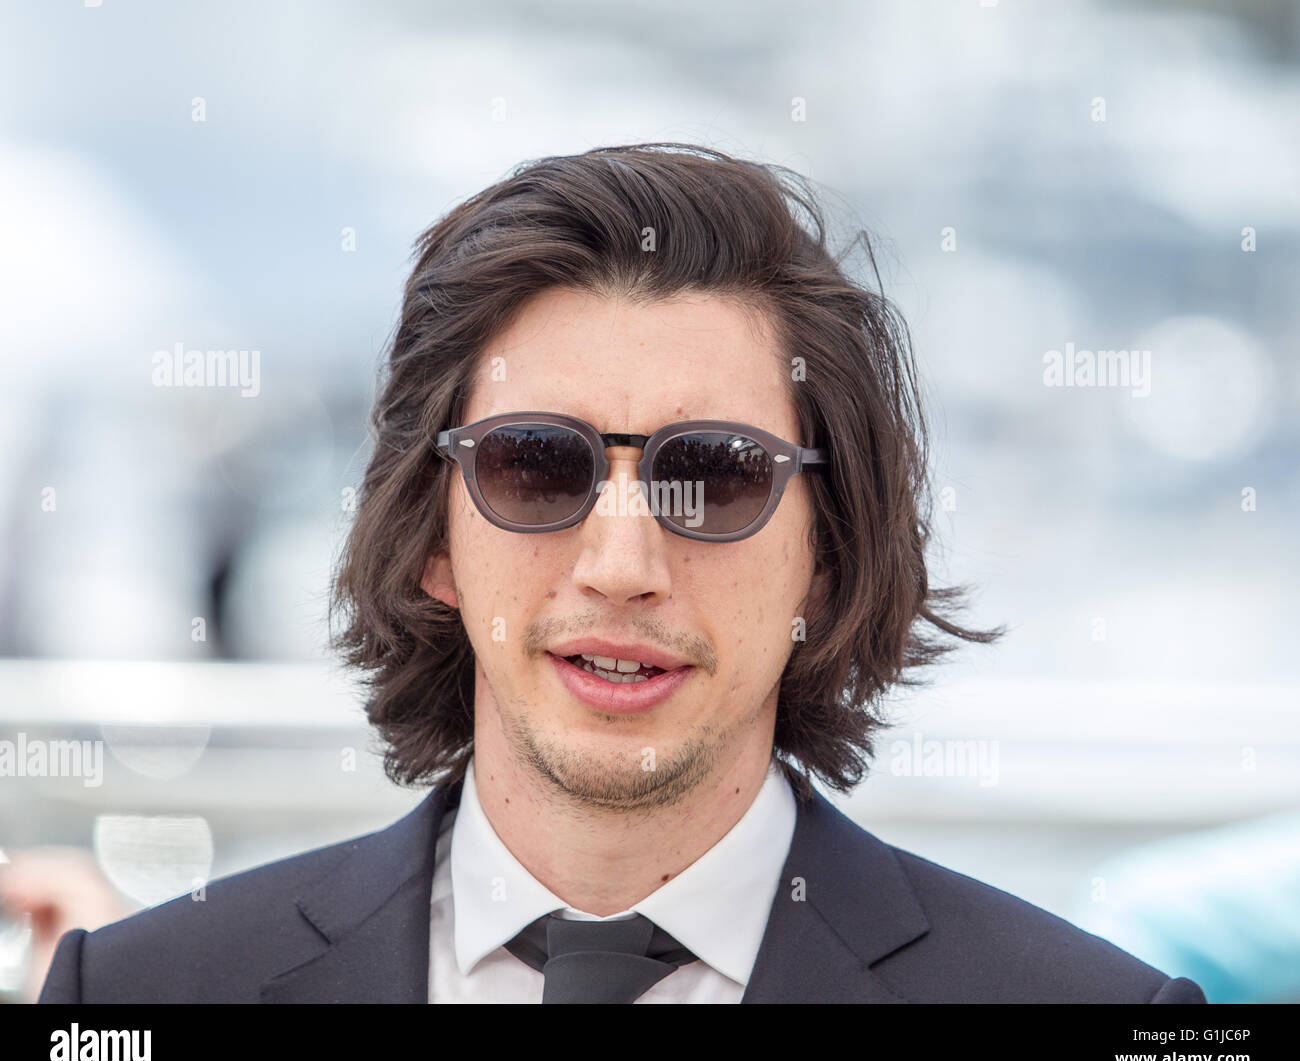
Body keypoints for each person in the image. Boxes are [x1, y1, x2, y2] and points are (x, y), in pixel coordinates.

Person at [39, 143, 1206, 1004]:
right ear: (432, 535)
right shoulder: (133, 997)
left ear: (829, 551)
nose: (622, 563)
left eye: (716, 477)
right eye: (537, 466)